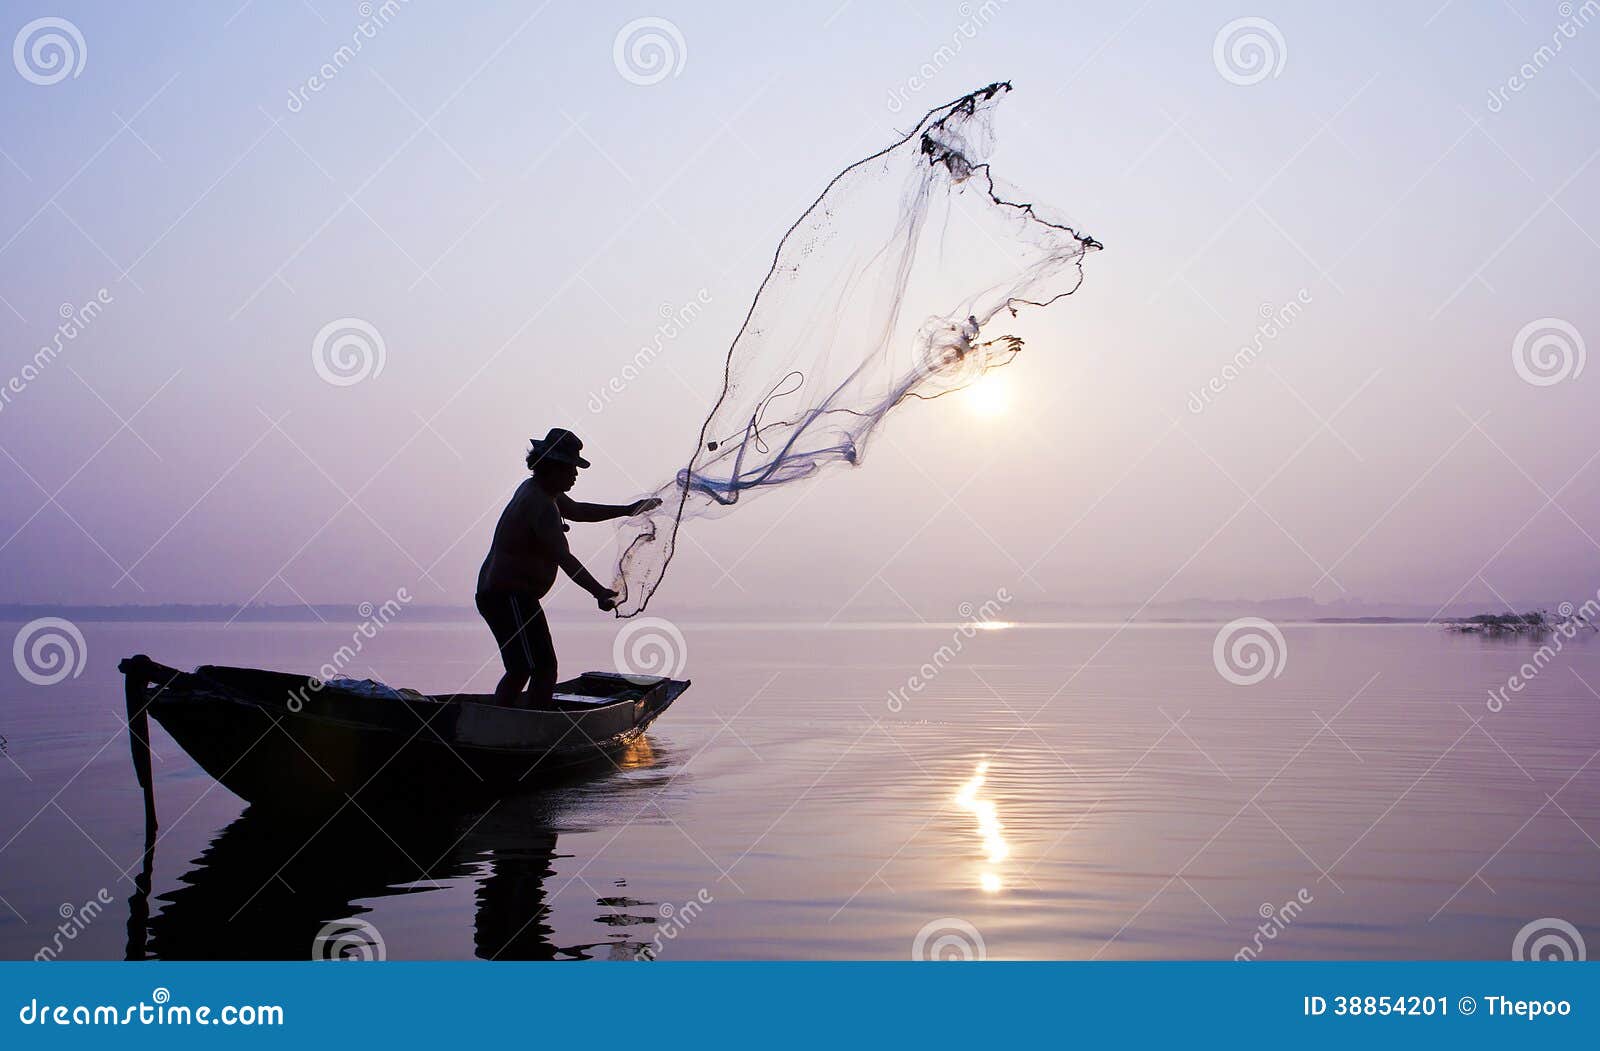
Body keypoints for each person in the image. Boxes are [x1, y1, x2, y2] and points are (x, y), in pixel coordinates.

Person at [476, 429, 659, 707]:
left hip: (507, 596)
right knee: (534, 668)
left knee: (531, 666)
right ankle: (522, 726)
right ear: (553, 467)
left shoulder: (539, 490)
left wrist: (627, 510)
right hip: (508, 596)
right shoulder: (540, 504)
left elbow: (579, 512)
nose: (575, 474)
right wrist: (598, 592)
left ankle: (514, 720)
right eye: (571, 468)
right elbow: (565, 559)